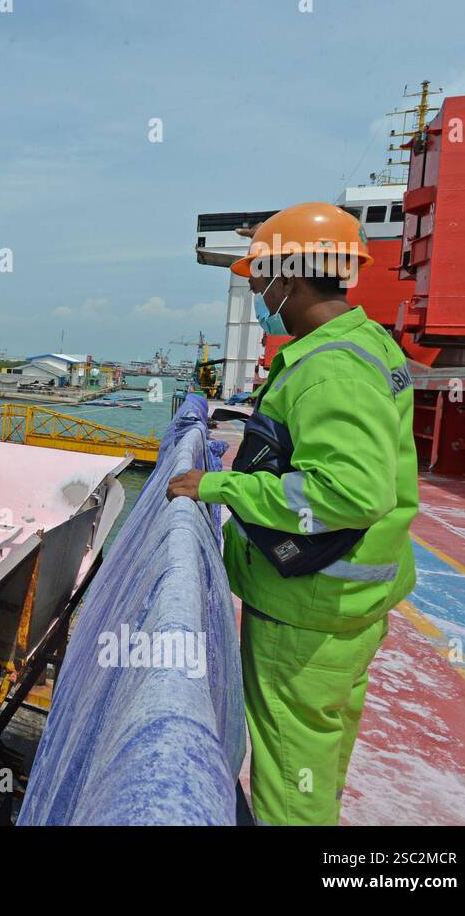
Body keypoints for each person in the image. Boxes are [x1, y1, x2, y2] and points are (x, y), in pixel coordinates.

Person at [166, 202, 418, 825]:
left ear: (294, 280)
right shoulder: (366, 344)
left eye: (261, 278)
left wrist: (223, 489)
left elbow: (349, 493)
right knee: (320, 753)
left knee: (289, 776)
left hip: (305, 611)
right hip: (346, 606)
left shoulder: (330, 367)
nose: (257, 291)